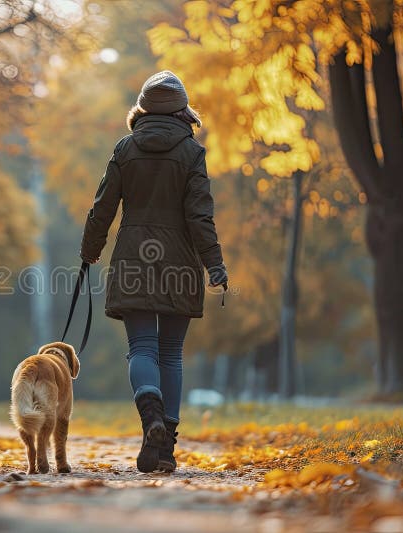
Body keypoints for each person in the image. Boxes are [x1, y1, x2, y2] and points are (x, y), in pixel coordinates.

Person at [79, 70, 228, 473]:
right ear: (183, 110)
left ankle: (151, 421)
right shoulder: (191, 153)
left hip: (132, 259)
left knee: (142, 348)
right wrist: (214, 262)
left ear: (141, 109)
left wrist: (89, 250)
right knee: (171, 354)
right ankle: (166, 451)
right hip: (180, 260)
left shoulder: (125, 149)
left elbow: (102, 208)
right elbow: (201, 216)